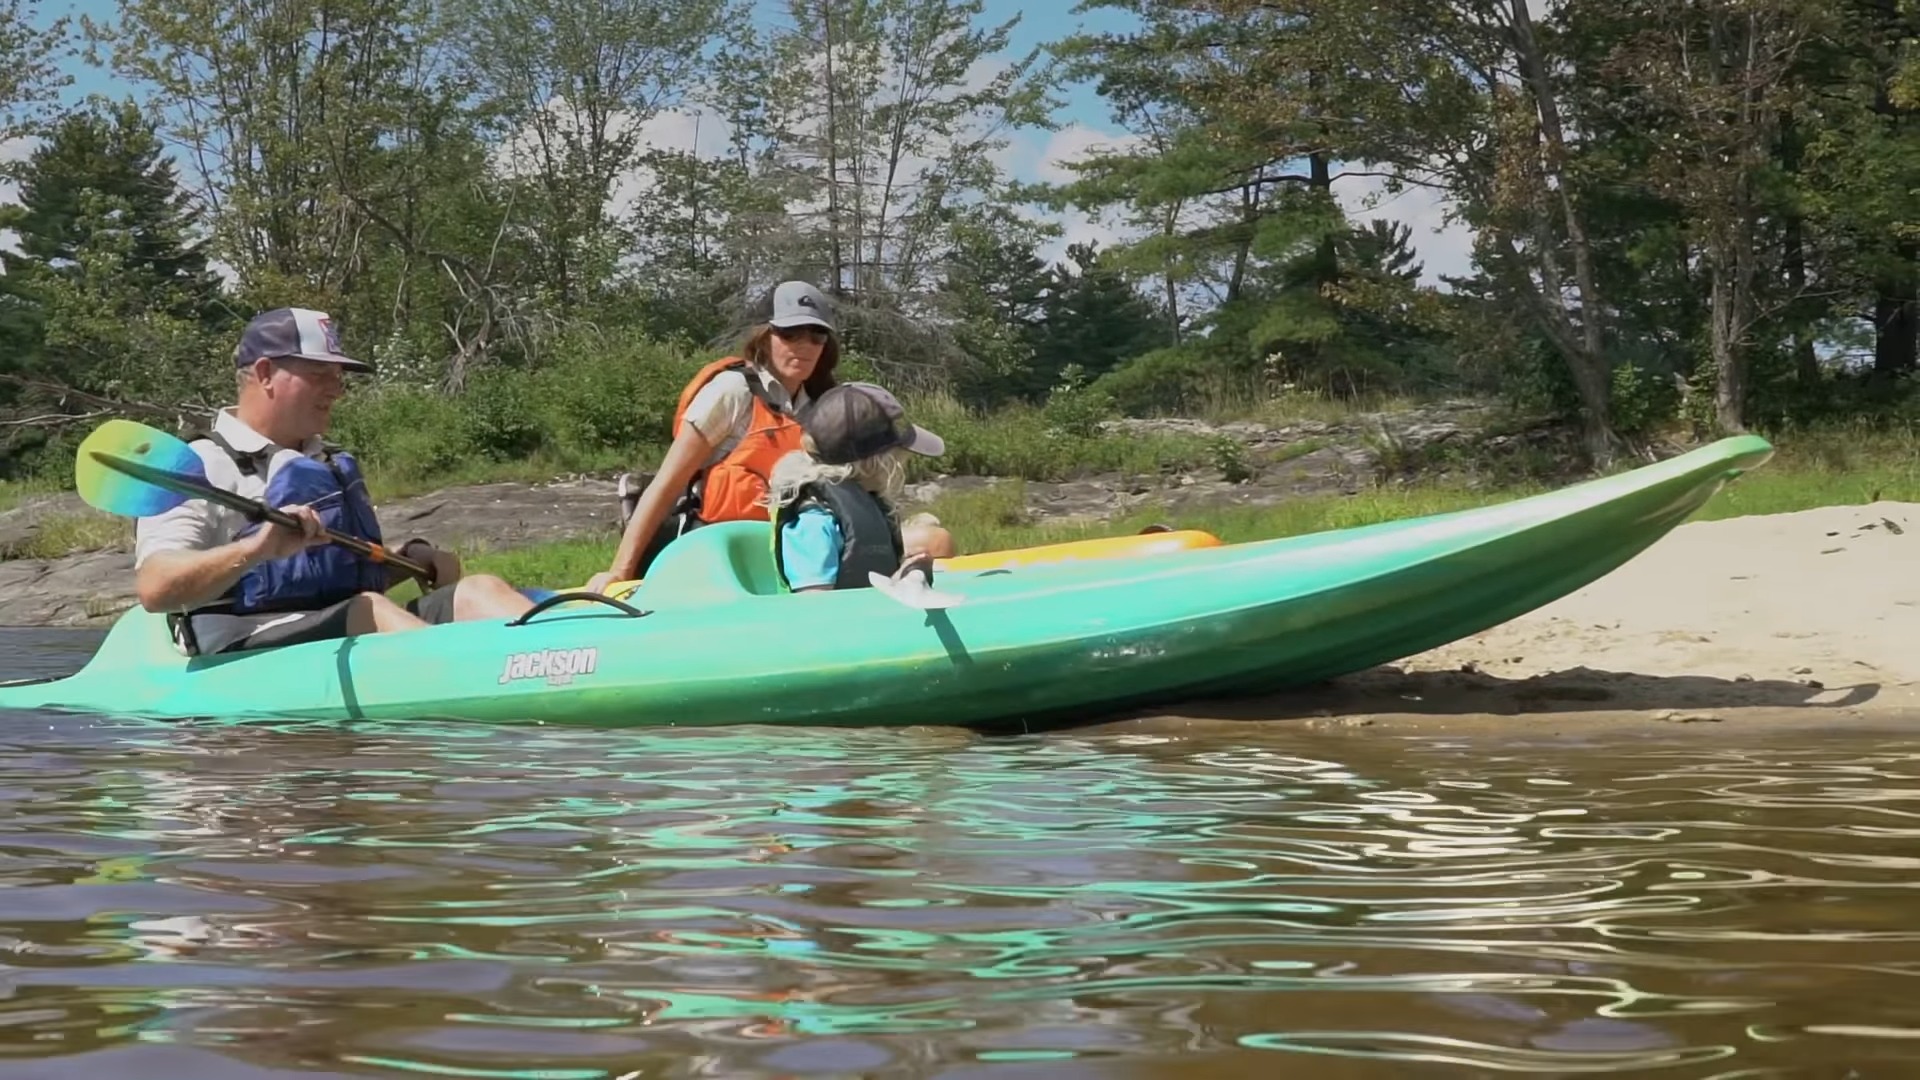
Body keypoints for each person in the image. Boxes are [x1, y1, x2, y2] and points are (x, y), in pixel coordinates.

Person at [133, 307, 536, 656]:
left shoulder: (323, 460)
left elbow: (320, 579)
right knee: (369, 609)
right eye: (318, 374)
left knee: (476, 590)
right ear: (265, 373)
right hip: (241, 648)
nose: (336, 390)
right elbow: (156, 587)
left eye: (339, 376)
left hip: (342, 629)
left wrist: (407, 561)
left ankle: (564, 661)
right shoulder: (195, 468)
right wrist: (256, 548)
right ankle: (481, 679)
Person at [589, 280, 841, 592]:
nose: (804, 345)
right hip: (712, 558)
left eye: (816, 335)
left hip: (778, 566)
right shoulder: (732, 392)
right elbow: (667, 483)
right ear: (764, 336)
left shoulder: (819, 409)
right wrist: (619, 572)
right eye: (790, 333)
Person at [764, 382, 958, 593]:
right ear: (875, 463)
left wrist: (903, 577)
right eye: (900, 457)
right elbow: (815, 611)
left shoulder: (867, 503)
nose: (904, 464)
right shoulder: (813, 526)